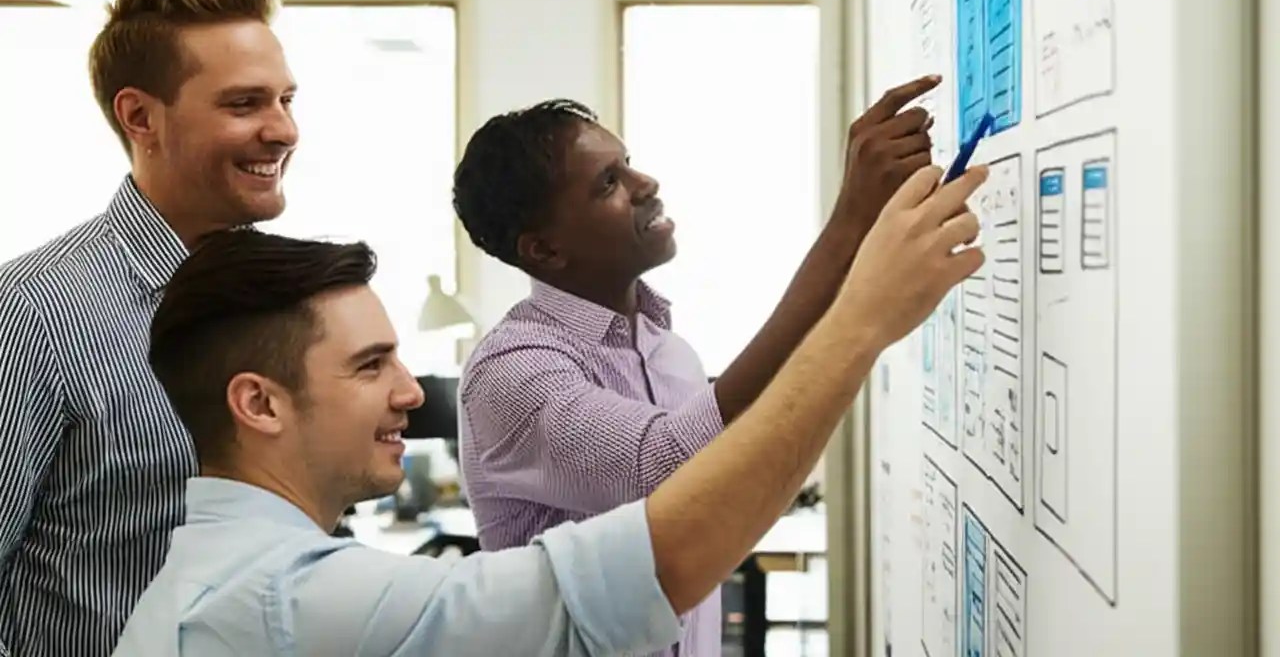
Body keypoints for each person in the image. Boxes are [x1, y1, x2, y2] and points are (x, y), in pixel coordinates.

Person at [112, 163, 985, 655]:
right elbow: (658, 550)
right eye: (370, 366)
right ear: (259, 403)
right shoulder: (282, 600)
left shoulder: (215, 571)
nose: (413, 395)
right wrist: (862, 319)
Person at [450, 77, 940, 653]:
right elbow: (664, 472)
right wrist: (849, 225)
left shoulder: (668, 351)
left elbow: (730, 479)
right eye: (609, 182)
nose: (645, 184)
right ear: (545, 250)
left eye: (627, 164)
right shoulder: (510, 372)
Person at [0, 0, 298, 655]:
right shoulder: (32, 314)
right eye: (245, 103)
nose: (282, 130)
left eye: (285, 99)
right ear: (140, 118)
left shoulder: (294, 298)